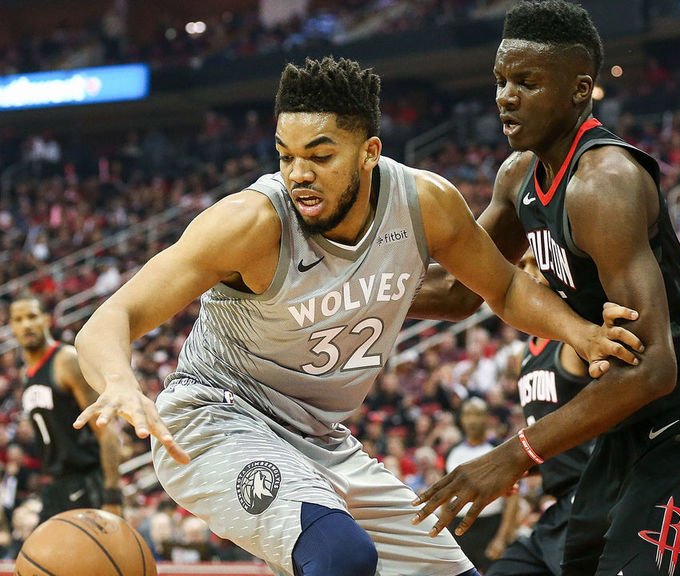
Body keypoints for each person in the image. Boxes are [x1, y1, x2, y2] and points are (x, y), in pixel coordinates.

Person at [72, 56, 641, 576]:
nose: (299, 174)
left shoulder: (423, 203)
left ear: (370, 152)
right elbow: (111, 316)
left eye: (320, 156)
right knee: (342, 556)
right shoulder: (250, 222)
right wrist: (120, 382)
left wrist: (582, 334)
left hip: (322, 437)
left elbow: (505, 288)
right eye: (286, 156)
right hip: (217, 419)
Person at [409, 2, 680, 575]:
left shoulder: (605, 184)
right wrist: (339, 288)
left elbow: (652, 369)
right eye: (500, 81)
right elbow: (458, 289)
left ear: (579, 90)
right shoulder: (517, 175)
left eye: (526, 82)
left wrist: (513, 455)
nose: (505, 97)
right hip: (628, 428)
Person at [485, 249, 594, 576]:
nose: (528, 272)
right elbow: (554, 428)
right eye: (522, 265)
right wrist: (521, 467)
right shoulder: (525, 355)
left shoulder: (578, 336)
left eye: (537, 262)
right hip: (560, 506)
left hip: (595, 498)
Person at [8, 296, 122, 522]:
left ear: (46, 320)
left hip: (86, 481)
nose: (26, 325)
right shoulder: (26, 373)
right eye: (19, 320)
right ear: (12, 326)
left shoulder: (65, 360)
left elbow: (106, 428)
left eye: (32, 316)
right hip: (55, 485)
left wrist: (112, 494)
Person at [444, 397, 508, 573]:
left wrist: (502, 537)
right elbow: (445, 497)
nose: (473, 420)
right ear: (462, 419)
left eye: (478, 415)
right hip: (458, 525)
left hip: (491, 526)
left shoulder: (500, 449)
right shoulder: (452, 452)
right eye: (468, 415)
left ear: (488, 418)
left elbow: (513, 498)